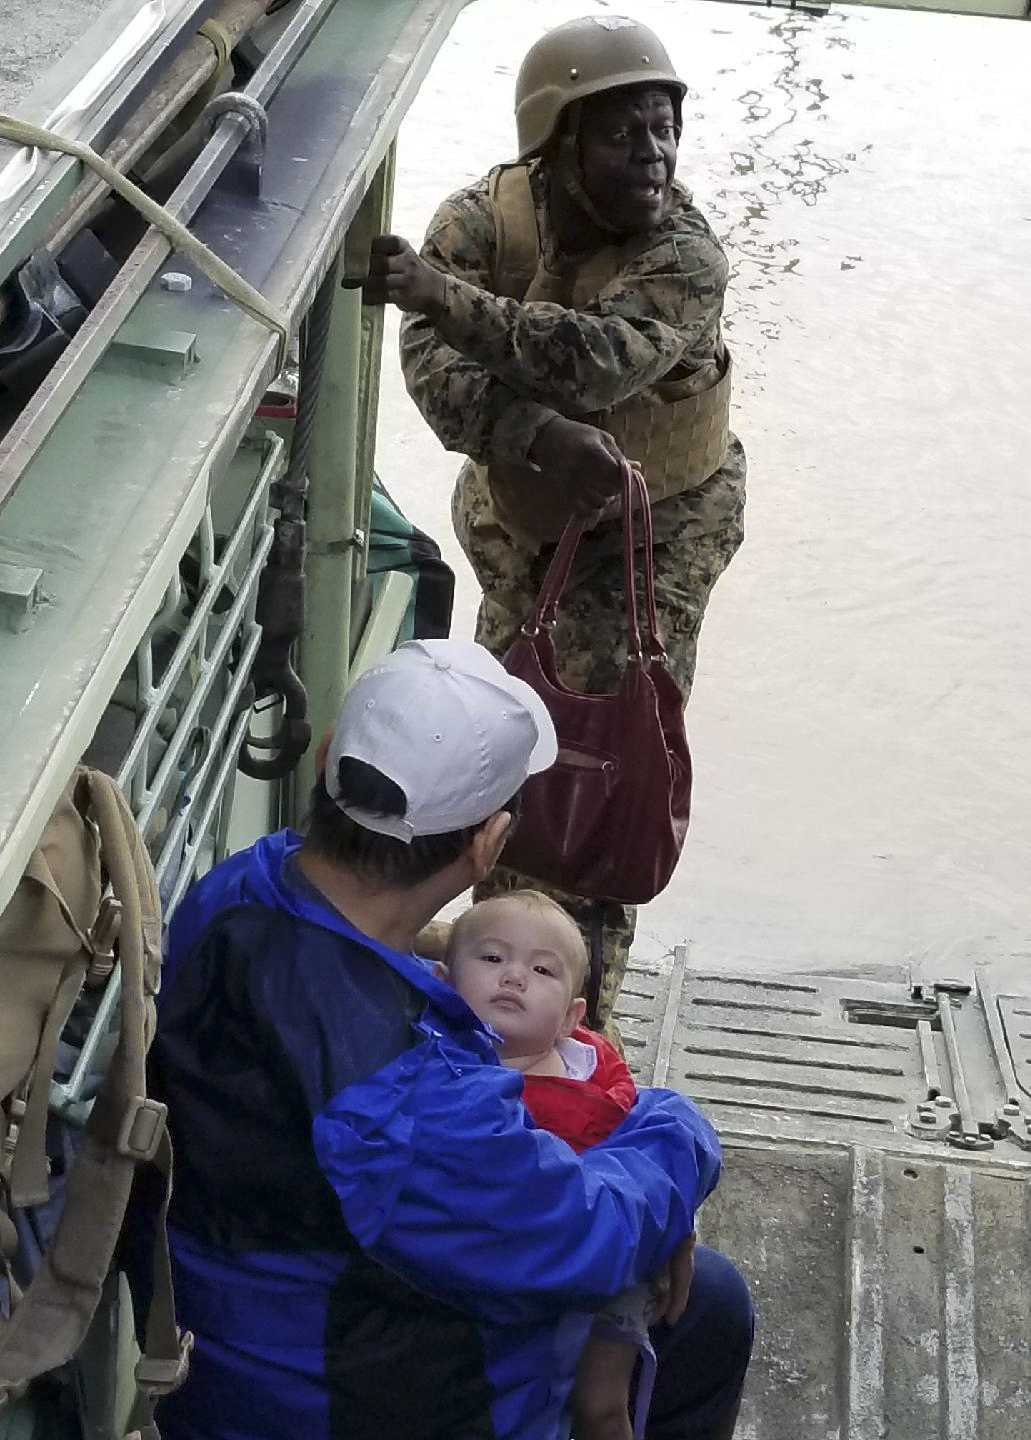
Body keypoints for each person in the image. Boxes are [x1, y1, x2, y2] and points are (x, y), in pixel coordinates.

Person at [148, 638, 753, 1440]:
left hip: (237, 1332)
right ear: (485, 844)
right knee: (710, 1306)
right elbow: (587, 1235)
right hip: (357, 1400)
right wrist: (680, 1126)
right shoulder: (409, 1101)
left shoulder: (240, 891)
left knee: (699, 1294)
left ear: (330, 759)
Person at [363, 15, 747, 1032]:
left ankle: (576, 1020)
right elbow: (432, 371)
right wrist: (529, 431)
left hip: (653, 539)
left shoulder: (685, 255)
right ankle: (498, 976)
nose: (653, 155)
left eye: (666, 130)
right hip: (521, 529)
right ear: (559, 142)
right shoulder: (482, 223)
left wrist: (449, 299)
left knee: (605, 770)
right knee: (504, 749)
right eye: (625, 134)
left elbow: (599, 357)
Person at [440, 889, 662, 1440]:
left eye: (542, 969)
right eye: (492, 959)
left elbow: (640, 1148)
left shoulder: (598, 1075)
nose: (513, 977)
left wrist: (666, 1227)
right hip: (513, 1268)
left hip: (609, 1255)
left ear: (571, 1018)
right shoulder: (436, 1071)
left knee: (601, 1406)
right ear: (442, 984)